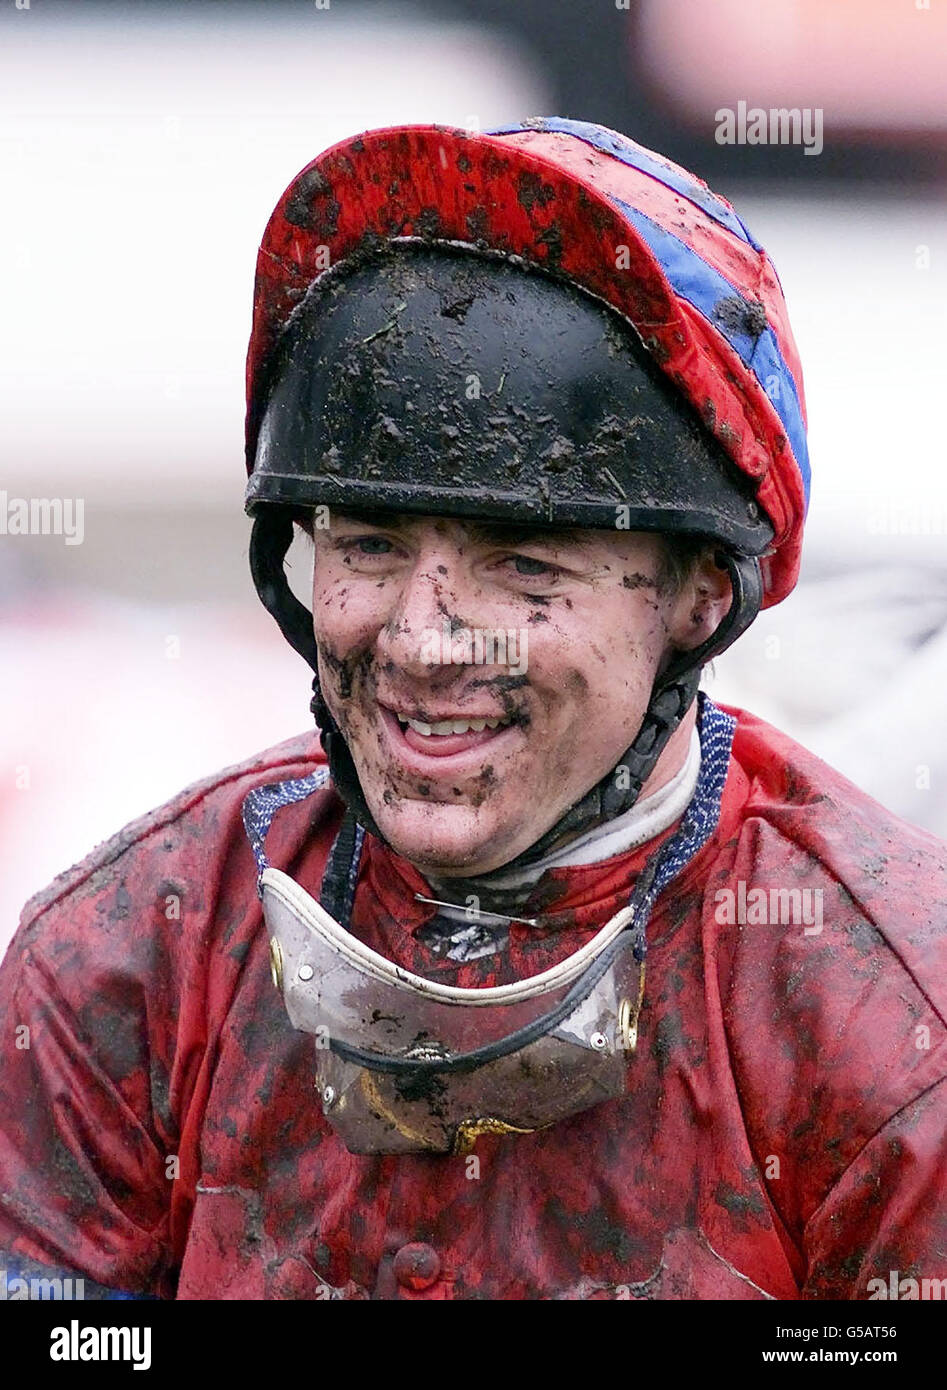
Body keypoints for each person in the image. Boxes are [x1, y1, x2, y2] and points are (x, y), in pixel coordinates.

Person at [1, 118, 944, 1302]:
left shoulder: (891, 1025)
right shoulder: (127, 958)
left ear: (703, 590)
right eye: (371, 542)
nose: (420, 638)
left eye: (521, 563)